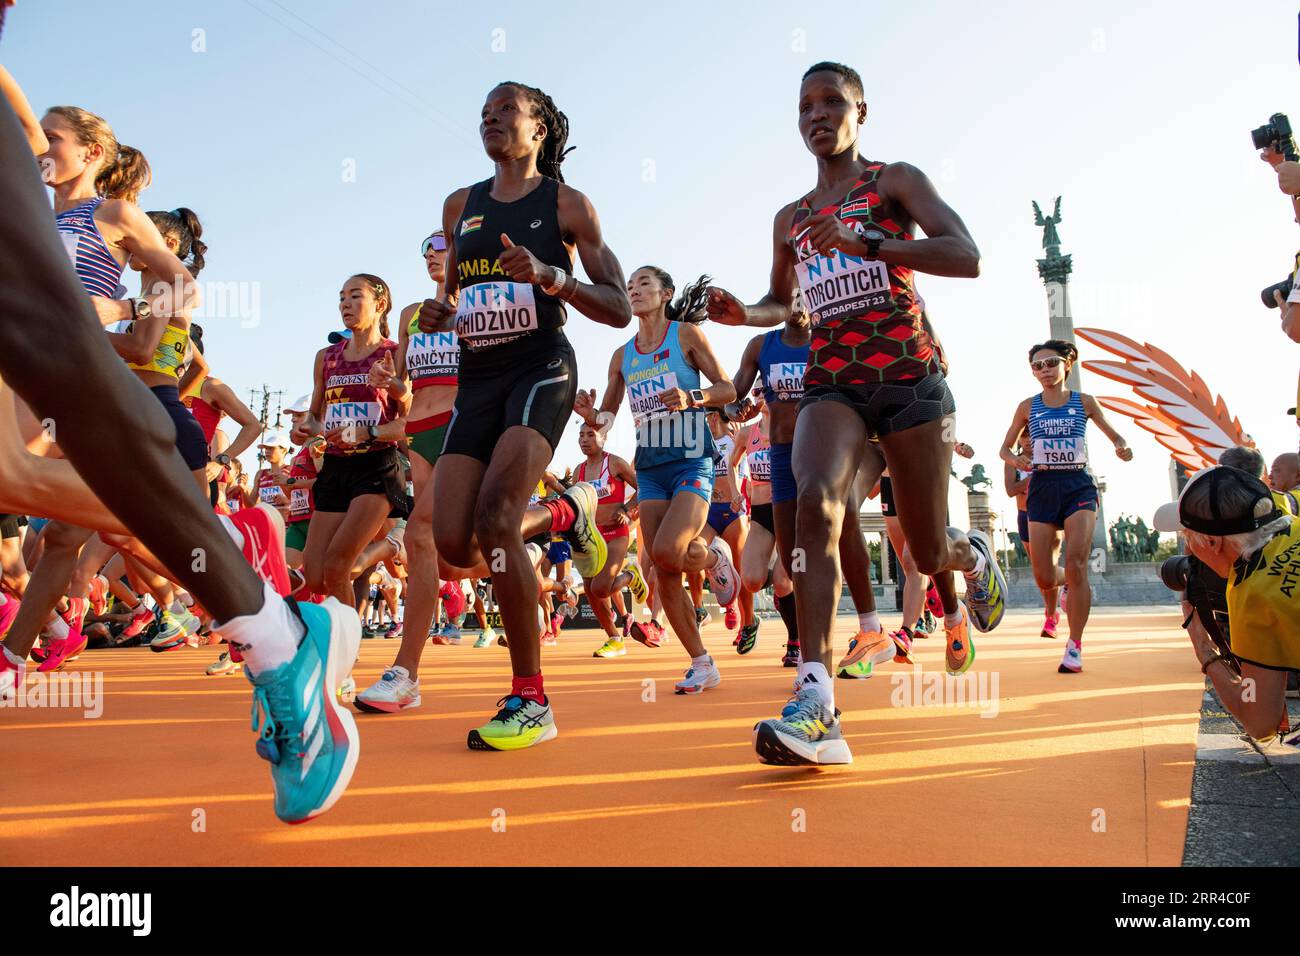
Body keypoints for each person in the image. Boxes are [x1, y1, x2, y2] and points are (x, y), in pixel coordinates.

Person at [0, 52, 360, 825]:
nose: (43, 149)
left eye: (56, 139)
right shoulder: (27, 199)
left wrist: (128, 327)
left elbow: (178, 284)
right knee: (64, 526)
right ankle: (247, 581)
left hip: (83, 375)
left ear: (91, 154)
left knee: (65, 519)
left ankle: (263, 609)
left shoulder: (109, 216)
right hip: (24, 371)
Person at [706, 62, 1002, 765]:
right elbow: (786, 303)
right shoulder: (792, 218)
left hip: (908, 377)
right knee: (813, 499)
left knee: (928, 554)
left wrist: (871, 243)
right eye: (804, 104)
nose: (817, 113)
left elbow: (966, 256)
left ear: (860, 110)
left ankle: (973, 556)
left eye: (832, 100)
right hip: (833, 380)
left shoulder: (893, 181)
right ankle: (816, 698)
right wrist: (746, 312)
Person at [418, 81, 631, 751]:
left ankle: (530, 699)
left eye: (506, 111)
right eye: (483, 113)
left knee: (498, 519)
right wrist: (440, 312)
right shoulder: (462, 204)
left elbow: (620, 305)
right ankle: (567, 514)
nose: (491, 120)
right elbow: (455, 289)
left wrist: (553, 275)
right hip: (477, 377)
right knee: (455, 545)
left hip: (541, 368)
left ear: (539, 129)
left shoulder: (567, 204)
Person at [574, 264, 739, 695]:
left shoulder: (685, 335)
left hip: (690, 460)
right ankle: (701, 663)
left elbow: (728, 389)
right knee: (664, 571)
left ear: (665, 293)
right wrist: (591, 415)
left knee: (667, 550)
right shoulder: (621, 355)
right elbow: (607, 418)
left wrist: (694, 397)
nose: (634, 291)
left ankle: (716, 559)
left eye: (643, 284)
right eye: (629, 287)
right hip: (649, 467)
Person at [998, 339, 1132, 673]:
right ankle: (1067, 583)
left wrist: (1121, 445)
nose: (1044, 370)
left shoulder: (1084, 401)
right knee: (1044, 577)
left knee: (1077, 562)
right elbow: (1004, 448)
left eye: (1051, 363)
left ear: (1067, 364)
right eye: (1038, 366)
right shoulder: (1027, 406)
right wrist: (1016, 458)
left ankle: (1074, 645)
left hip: (1077, 485)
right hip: (1042, 487)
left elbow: (1113, 434)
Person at [1155, 467, 1297, 741]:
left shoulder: (1254, 594)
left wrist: (1204, 649)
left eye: (1187, 537)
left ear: (1211, 541)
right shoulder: (1292, 520)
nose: (1190, 551)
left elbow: (1261, 723)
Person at [572, 422, 647, 659]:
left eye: (590, 435)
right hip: (590, 537)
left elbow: (643, 487)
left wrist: (627, 509)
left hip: (616, 534)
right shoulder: (578, 471)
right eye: (581, 435)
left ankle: (630, 576)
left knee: (601, 588)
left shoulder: (614, 463)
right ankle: (614, 638)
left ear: (603, 438)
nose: (584, 439)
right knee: (589, 589)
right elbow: (575, 506)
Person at [1004, 442, 1060, 636]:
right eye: (1024, 435)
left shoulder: (1049, 456)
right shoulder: (1013, 461)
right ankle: (1050, 607)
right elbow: (1010, 490)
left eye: (1031, 434)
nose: (1028, 439)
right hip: (1025, 516)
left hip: (1048, 514)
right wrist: (1033, 480)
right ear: (1019, 439)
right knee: (1039, 572)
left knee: (1049, 566)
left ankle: (1051, 618)